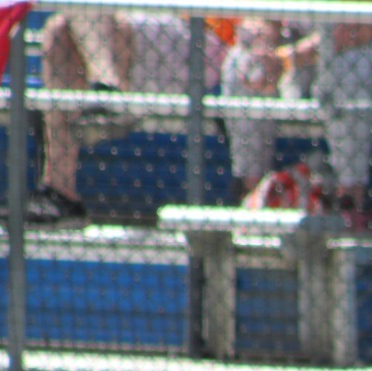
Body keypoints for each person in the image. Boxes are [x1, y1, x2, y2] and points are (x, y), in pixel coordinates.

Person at [219, 5, 372, 230]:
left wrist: (285, 60)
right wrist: (263, 47)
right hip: (316, 54)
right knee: (239, 63)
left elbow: (354, 30)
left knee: (345, 69)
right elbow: (264, 17)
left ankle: (349, 207)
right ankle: (253, 200)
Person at [28, 13, 229, 227]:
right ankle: (60, 191)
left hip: (206, 36)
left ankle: (106, 91)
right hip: (147, 31)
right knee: (59, 31)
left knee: (97, 17)